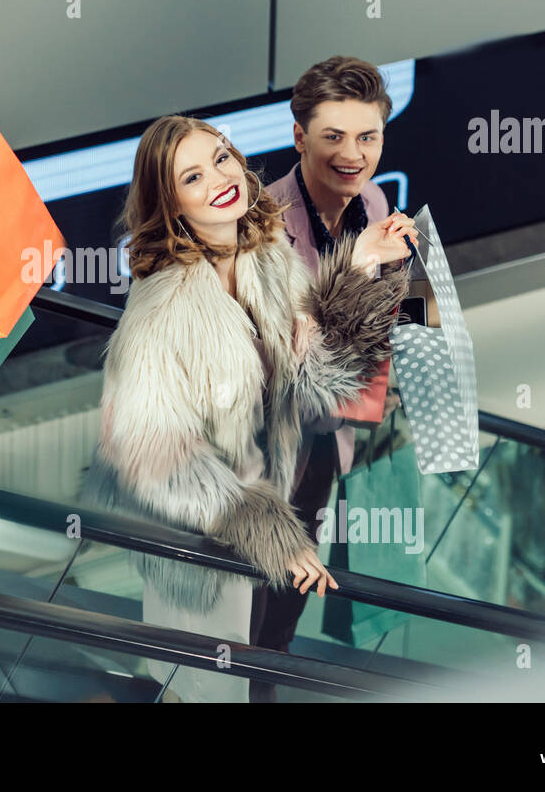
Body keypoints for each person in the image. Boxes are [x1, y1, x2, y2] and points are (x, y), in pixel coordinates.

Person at [82, 114, 416, 702]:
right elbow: (150, 454)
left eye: (220, 157)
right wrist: (267, 531)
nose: (218, 177)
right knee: (207, 680)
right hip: (207, 534)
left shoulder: (265, 255)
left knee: (262, 657)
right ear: (172, 203)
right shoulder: (163, 309)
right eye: (192, 176)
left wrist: (363, 263)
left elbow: (313, 370)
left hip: (279, 491)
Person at [248, 56, 412, 699]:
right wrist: (356, 261)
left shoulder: (372, 201)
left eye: (367, 137)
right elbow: (284, 358)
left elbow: (391, 309)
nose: (353, 154)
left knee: (291, 597)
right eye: (333, 137)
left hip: (328, 438)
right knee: (248, 593)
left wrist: (410, 310)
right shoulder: (259, 224)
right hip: (261, 447)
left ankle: (266, 678)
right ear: (298, 138)